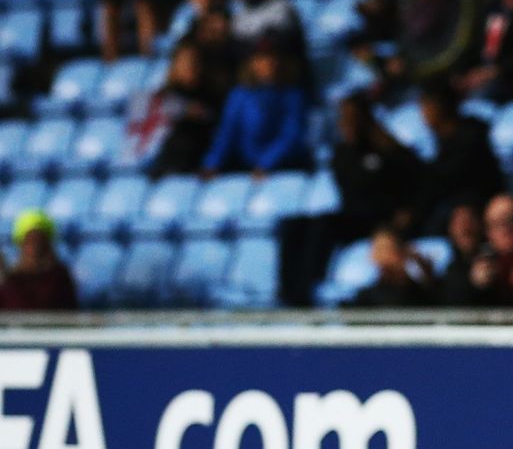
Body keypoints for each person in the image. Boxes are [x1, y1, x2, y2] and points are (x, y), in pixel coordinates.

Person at [280, 91, 421, 307]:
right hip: (354, 215)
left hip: (379, 221)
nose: (345, 123)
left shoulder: (388, 149)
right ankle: (287, 293)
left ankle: (307, 290)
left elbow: (410, 188)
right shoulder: (343, 153)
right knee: (292, 224)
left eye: (351, 117)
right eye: (343, 117)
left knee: (324, 224)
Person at [412, 79, 507, 236]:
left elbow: (445, 180)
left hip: (477, 207)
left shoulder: (471, 139)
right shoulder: (441, 141)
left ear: (440, 106)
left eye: (426, 107)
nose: (423, 114)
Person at [200, 42, 309, 177]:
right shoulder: (239, 95)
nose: (269, 63)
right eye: (262, 59)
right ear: (252, 63)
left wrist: (266, 163)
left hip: (283, 168)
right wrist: (212, 163)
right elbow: (227, 132)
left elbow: (291, 134)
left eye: (273, 58)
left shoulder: (292, 95)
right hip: (245, 167)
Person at [139, 43, 222, 176]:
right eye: (185, 62)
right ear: (175, 65)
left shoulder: (213, 97)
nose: (191, 67)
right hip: (166, 168)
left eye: (195, 62)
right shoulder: (162, 98)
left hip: (199, 168)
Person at [0, 211, 78, 311]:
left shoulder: (60, 277)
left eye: (40, 241)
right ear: (21, 244)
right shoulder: (11, 281)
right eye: (30, 241)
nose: (35, 248)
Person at [345, 226, 438, 309]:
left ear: (401, 252)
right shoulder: (365, 298)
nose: (381, 256)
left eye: (385, 248)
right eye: (377, 249)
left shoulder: (419, 293)